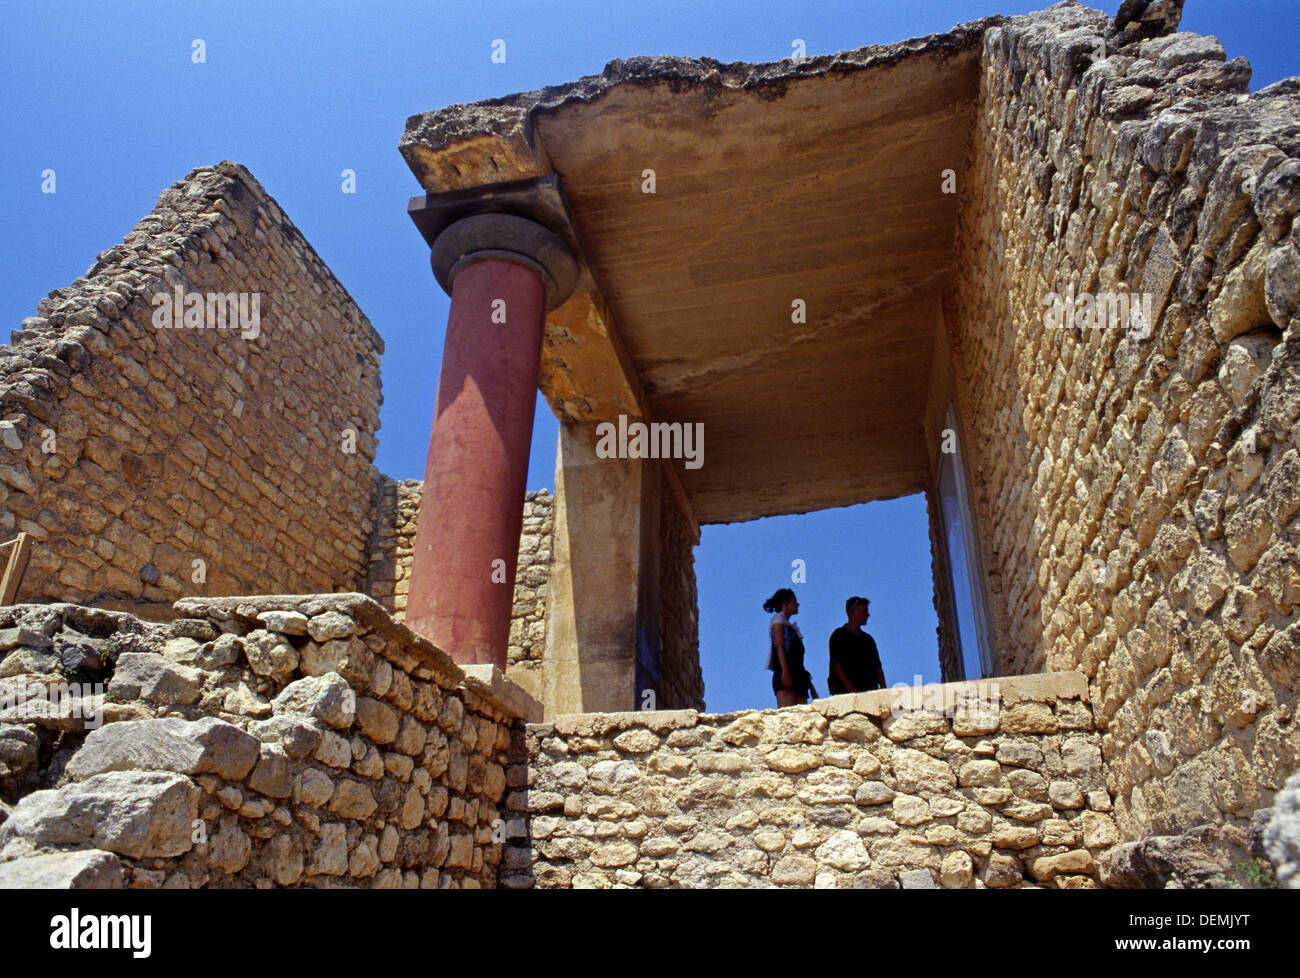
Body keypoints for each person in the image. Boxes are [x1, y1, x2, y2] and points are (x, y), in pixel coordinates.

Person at [764, 588, 816, 706]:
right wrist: (784, 671)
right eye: (794, 601)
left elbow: (798, 661)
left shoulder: (792, 629)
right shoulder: (778, 622)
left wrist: (811, 686)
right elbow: (780, 647)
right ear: (785, 604)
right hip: (787, 675)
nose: (797, 604)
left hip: (798, 676)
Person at [827, 596, 886, 694]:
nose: (868, 615)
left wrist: (884, 691)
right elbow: (836, 665)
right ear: (853, 611)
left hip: (868, 692)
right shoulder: (839, 635)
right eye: (864, 611)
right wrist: (852, 690)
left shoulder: (868, 640)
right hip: (845, 694)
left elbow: (877, 667)